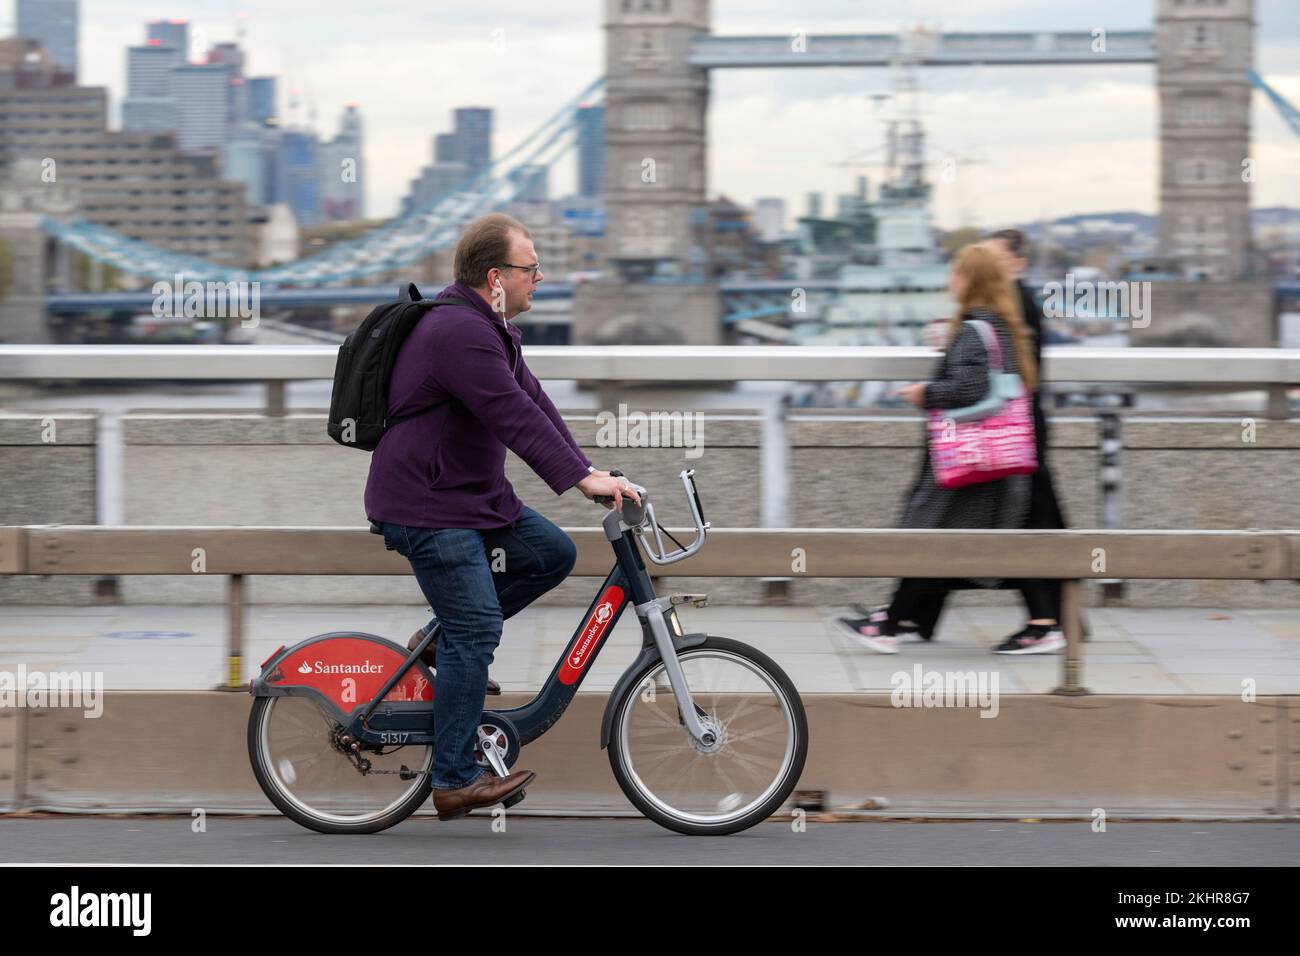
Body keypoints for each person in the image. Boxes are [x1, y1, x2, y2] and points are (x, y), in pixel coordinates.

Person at [364, 213, 639, 820]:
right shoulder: (459, 332)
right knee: (477, 628)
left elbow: (534, 405)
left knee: (552, 554)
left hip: (468, 498)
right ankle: (455, 778)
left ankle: (436, 641)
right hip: (429, 505)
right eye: (530, 268)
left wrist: (590, 472)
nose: (539, 277)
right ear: (495, 277)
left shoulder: (489, 328)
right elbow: (508, 415)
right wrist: (579, 479)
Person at [836, 243, 1037, 653]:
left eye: (955, 273)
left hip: (965, 460)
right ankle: (902, 619)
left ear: (970, 281)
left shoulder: (973, 330)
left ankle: (890, 625)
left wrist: (923, 393)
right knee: (939, 541)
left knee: (923, 537)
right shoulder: (1002, 326)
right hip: (990, 461)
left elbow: (970, 388)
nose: (950, 280)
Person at [980, 228, 1068, 654]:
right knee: (1040, 519)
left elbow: (1001, 367)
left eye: (996, 256)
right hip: (1022, 427)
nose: (990, 264)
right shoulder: (1014, 300)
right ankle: (1061, 617)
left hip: (1016, 430)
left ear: (1018, 262)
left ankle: (1047, 621)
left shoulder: (1014, 302)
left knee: (1032, 521)